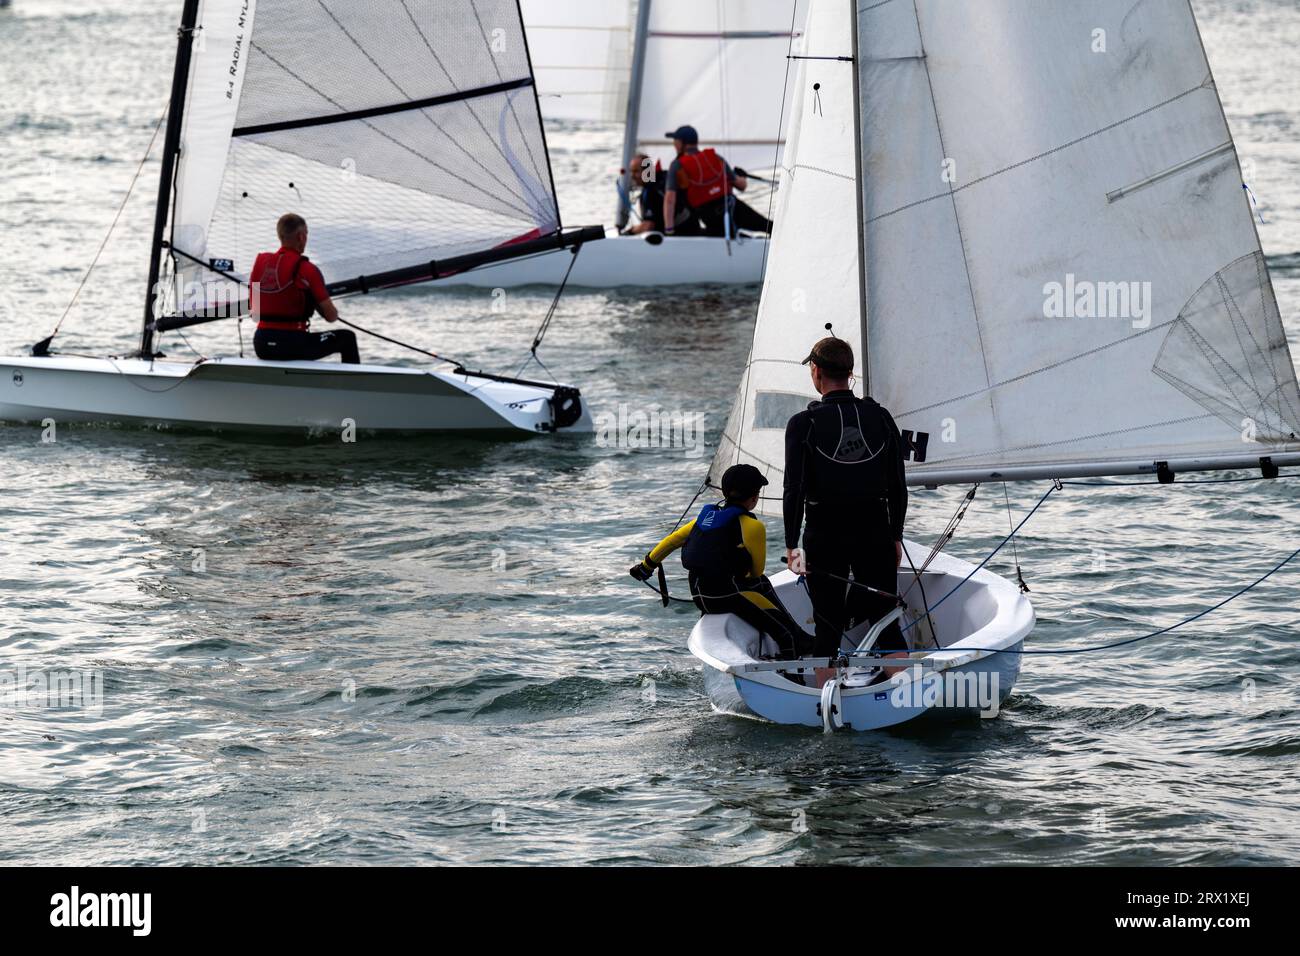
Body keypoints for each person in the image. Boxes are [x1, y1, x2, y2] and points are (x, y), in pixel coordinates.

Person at [783, 336, 909, 674]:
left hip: (825, 533)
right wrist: (895, 535)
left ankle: (822, 702)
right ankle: (901, 697)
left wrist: (792, 544)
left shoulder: (802, 424)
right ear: (849, 373)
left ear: (817, 371)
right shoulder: (880, 418)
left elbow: (793, 489)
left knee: (827, 625)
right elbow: (898, 485)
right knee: (885, 620)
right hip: (875, 530)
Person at [630, 464, 812, 660]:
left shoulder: (704, 519)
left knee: (762, 583)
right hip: (728, 597)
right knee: (784, 633)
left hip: (701, 598)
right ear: (754, 497)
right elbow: (757, 571)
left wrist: (646, 566)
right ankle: (795, 665)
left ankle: (800, 635)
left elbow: (672, 540)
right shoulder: (752, 526)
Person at [250, 213, 360, 364]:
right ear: (301, 236)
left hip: (262, 343)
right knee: (347, 338)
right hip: (292, 345)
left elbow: (254, 312)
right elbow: (331, 316)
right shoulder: (307, 269)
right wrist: (314, 302)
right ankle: (352, 386)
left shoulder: (261, 266)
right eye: (306, 234)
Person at [661, 125, 773, 238]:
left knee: (732, 238)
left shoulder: (677, 165)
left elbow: (670, 199)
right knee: (769, 227)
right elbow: (741, 186)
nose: (674, 144)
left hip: (709, 216)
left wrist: (669, 231)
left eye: (675, 140)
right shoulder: (715, 157)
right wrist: (742, 176)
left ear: (681, 143)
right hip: (733, 207)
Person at [622, 153, 667, 235]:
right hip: (690, 234)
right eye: (631, 171)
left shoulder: (651, 191)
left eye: (636, 171)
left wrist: (628, 232)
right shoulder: (662, 180)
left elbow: (648, 226)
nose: (632, 176)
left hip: (679, 239)